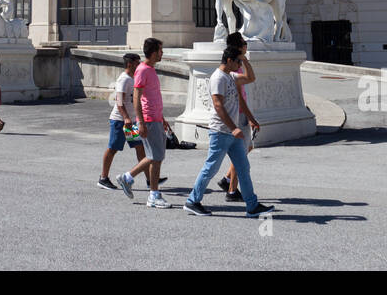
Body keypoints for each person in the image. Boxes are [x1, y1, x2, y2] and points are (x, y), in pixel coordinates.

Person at [184, 45, 275, 218]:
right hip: (221, 131)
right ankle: (192, 201)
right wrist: (233, 129)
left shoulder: (231, 76)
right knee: (211, 168)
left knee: (243, 168)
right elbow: (218, 106)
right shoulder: (218, 78)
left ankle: (252, 206)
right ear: (229, 60)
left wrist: (245, 59)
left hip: (232, 133)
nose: (239, 64)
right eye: (238, 61)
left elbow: (250, 77)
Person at [116, 37, 171, 209]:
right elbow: (137, 98)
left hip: (155, 119)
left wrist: (162, 119)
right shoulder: (142, 70)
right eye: (161, 51)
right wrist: (140, 122)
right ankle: (149, 192)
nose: (162, 54)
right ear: (154, 53)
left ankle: (133, 181)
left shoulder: (150, 69)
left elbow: (152, 97)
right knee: (155, 156)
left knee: (155, 157)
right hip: (147, 120)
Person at [218, 34, 259, 201]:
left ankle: (227, 180)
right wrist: (250, 117)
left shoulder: (236, 67)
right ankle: (232, 190)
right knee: (240, 152)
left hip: (239, 114)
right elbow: (239, 99)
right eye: (244, 43)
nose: (246, 45)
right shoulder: (234, 69)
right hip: (239, 115)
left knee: (245, 149)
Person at [99, 53, 147, 190]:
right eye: (137, 63)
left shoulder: (133, 78)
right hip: (120, 121)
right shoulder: (124, 79)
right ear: (130, 64)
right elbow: (119, 101)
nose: (139, 65)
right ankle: (103, 178)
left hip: (130, 122)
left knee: (140, 147)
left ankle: (150, 179)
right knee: (113, 148)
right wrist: (126, 117)